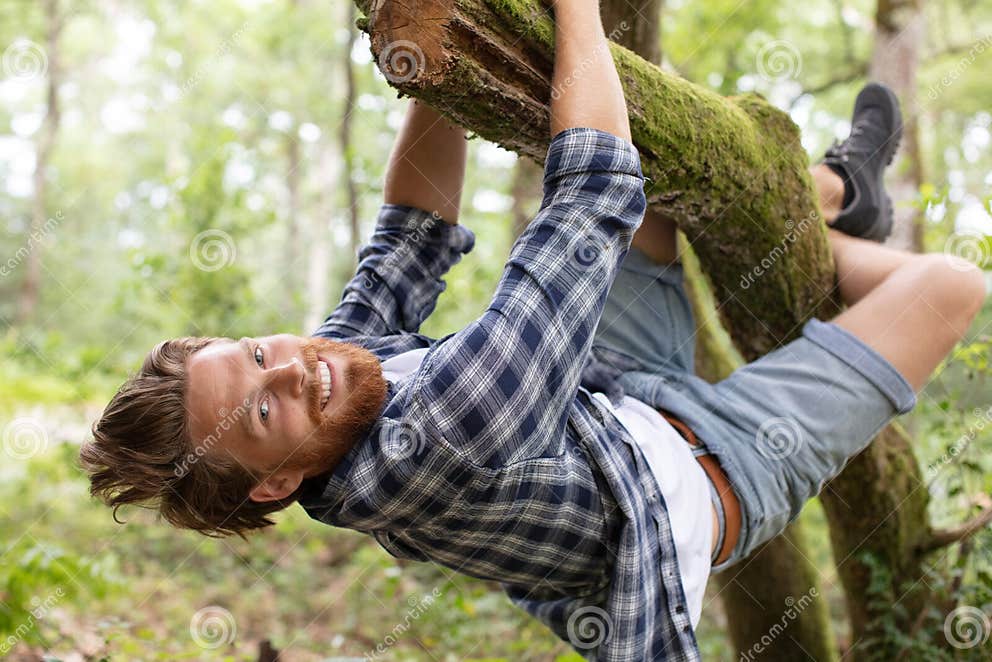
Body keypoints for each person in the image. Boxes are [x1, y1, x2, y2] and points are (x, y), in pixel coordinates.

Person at [80, 0, 986, 658]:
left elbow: (408, 237)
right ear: (277, 482)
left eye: (255, 354)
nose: (288, 373)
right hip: (701, 473)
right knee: (949, 285)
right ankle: (834, 213)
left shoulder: (324, 381)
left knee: (662, 180)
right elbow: (588, 187)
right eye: (264, 412)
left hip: (605, 396)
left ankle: (829, 193)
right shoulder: (432, 439)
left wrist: (442, 63)